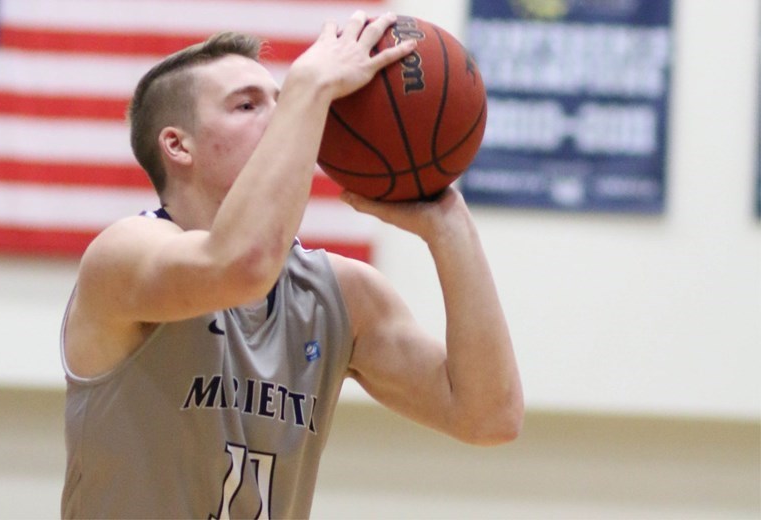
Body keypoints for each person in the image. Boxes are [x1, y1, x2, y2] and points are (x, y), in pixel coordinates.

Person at [59, 11, 523, 519]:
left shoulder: (340, 295)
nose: (286, 115)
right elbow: (240, 266)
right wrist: (309, 85)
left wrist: (449, 225)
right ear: (177, 145)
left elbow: (489, 416)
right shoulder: (124, 255)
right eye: (246, 104)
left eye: (283, 99)